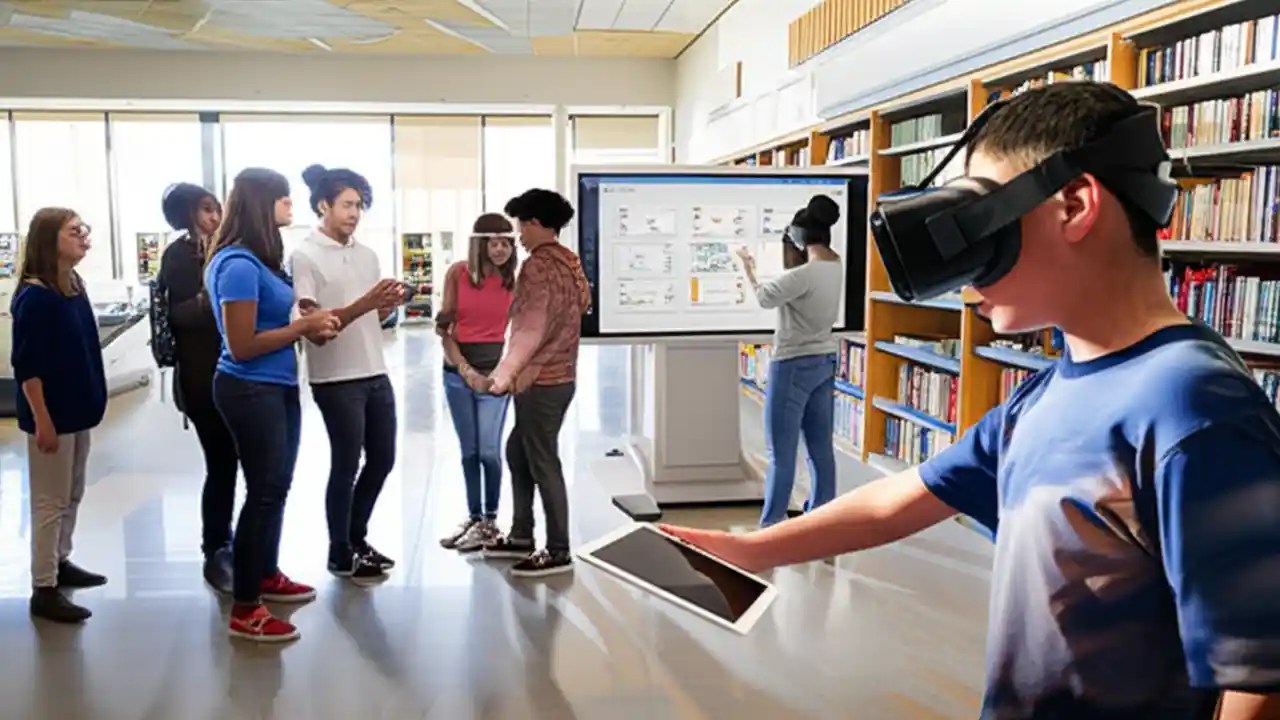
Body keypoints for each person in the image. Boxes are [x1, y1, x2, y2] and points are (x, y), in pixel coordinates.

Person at [665, 82, 1280, 719]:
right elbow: (894, 503)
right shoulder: (1047, 393)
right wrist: (745, 550)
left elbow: (1258, 678)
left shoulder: (1194, 408)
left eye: (979, 220)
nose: (961, 269)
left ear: (1074, 205)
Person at [206, 167, 341, 643]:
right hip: (250, 388)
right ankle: (246, 607)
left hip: (276, 385)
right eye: (283, 199)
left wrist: (305, 322)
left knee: (276, 488)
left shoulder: (260, 262)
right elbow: (242, 345)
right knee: (263, 492)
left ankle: (264, 572)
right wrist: (302, 328)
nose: (290, 205)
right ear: (263, 205)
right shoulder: (238, 265)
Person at [291, 164, 404, 584]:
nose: (354, 213)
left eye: (359, 205)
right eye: (346, 205)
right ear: (323, 205)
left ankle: (356, 538)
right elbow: (314, 327)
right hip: (336, 378)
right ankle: (339, 551)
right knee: (346, 463)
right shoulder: (305, 255)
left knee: (383, 458)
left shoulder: (367, 255)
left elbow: (371, 316)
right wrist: (365, 303)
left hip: (375, 369)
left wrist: (383, 308)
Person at [481, 189, 590, 577]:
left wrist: (503, 375)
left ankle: (558, 549)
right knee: (518, 451)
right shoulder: (569, 262)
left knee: (543, 460)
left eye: (523, 226)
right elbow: (581, 306)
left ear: (538, 223)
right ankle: (521, 533)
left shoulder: (537, 266)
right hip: (562, 377)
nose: (519, 235)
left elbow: (530, 328)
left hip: (540, 380)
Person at [11, 208, 108, 624]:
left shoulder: (73, 286)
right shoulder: (36, 298)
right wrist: (42, 420)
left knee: (72, 492)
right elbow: (28, 367)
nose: (84, 237)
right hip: (53, 414)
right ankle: (44, 585)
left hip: (78, 409)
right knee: (50, 500)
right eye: (74, 232)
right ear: (49, 240)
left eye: (83, 230)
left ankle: (60, 559)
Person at [735, 195, 843, 527]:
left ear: (799, 236)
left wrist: (748, 268)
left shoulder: (806, 274)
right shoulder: (836, 266)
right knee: (820, 450)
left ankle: (771, 524)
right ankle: (821, 520)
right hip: (824, 361)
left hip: (793, 364)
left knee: (780, 454)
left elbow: (765, 297)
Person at [156, 183, 237, 595]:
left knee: (241, 464)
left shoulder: (228, 249)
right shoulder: (179, 255)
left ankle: (236, 541)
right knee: (221, 464)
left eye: (216, 208)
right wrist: (218, 297)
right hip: (201, 379)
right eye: (206, 209)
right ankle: (216, 548)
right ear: (187, 214)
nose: (214, 217)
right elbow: (179, 314)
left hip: (238, 373)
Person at [435, 214, 518, 553]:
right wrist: (466, 370)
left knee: (488, 451)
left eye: (506, 243)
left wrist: (500, 373)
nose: (499, 249)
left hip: (495, 376)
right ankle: (474, 517)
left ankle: (490, 521)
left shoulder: (514, 282)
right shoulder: (457, 273)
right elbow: (444, 330)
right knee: (469, 451)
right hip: (458, 373)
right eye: (493, 243)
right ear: (479, 245)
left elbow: (521, 334)